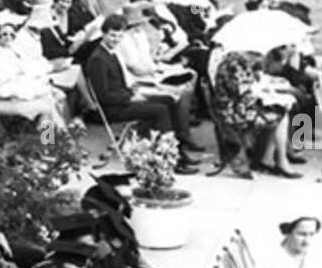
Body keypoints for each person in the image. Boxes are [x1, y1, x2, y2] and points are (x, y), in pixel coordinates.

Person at [83, 14, 200, 174]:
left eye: (119, 36)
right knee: (159, 111)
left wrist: (132, 91)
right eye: (112, 35)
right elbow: (103, 96)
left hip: (123, 99)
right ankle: (168, 158)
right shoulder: (98, 59)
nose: (115, 39)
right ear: (103, 34)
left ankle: (175, 150)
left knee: (168, 101)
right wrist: (130, 97)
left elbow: (118, 84)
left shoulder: (111, 52)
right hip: (112, 108)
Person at [211, 49, 299, 178]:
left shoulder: (235, 62)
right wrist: (267, 93)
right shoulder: (236, 65)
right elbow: (245, 93)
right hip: (233, 113)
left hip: (232, 108)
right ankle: (280, 161)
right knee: (280, 115)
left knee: (279, 111)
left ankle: (268, 159)